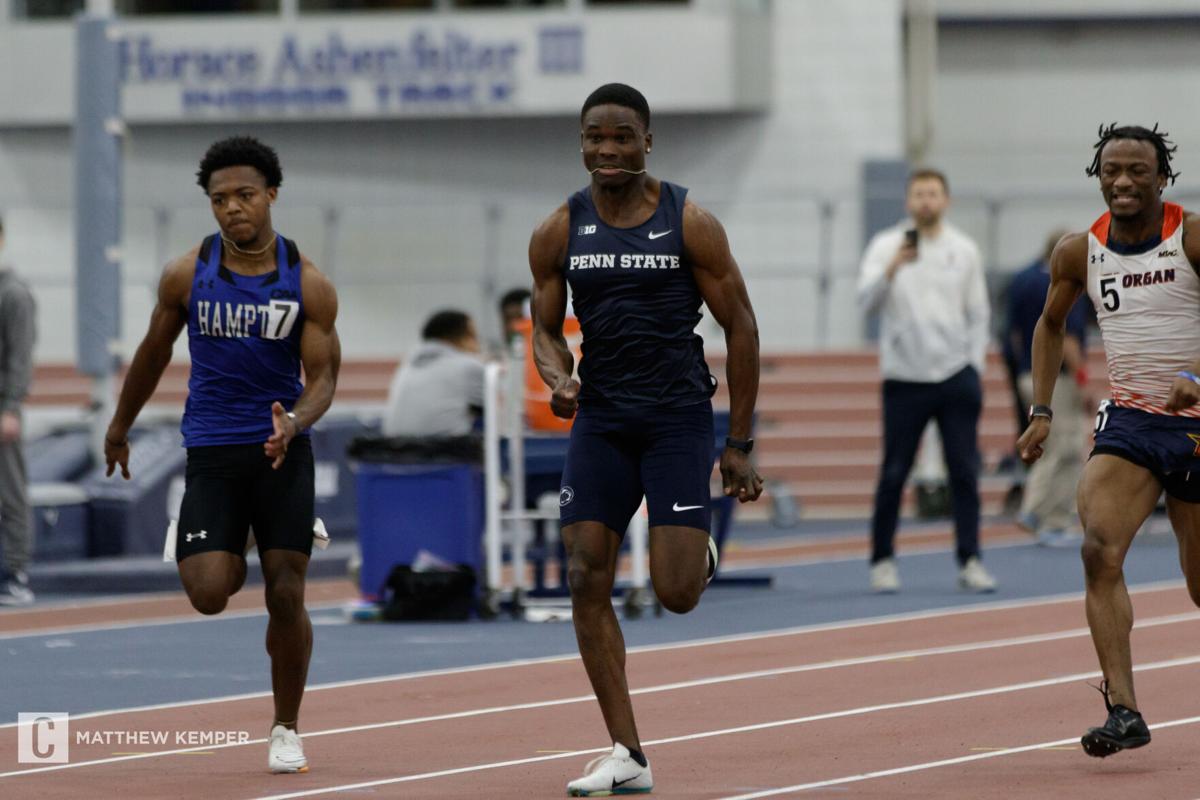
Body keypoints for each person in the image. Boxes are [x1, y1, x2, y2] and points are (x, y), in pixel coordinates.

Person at [529, 83, 763, 797]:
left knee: (677, 593)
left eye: (622, 137)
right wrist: (558, 377)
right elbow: (542, 329)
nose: (607, 150)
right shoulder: (558, 230)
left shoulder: (688, 221)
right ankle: (626, 750)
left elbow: (742, 326)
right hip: (601, 418)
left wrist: (740, 443)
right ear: (581, 142)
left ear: (647, 141)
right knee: (583, 573)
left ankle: (699, 551)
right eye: (595, 137)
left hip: (675, 418)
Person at [103, 136, 340, 774]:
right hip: (211, 447)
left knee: (286, 593)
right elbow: (153, 354)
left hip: (280, 451)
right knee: (209, 592)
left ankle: (285, 727)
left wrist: (294, 421)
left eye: (244, 195)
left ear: (271, 196)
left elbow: (322, 380)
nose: (232, 208)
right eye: (219, 199)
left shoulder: (307, 282)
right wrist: (119, 426)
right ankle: (239, 538)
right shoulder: (188, 274)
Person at [1018, 123, 1200, 758]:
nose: (1122, 182)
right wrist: (1041, 408)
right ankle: (1124, 709)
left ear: (1161, 178)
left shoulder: (1192, 236)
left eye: (1137, 172)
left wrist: (1194, 375)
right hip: (1133, 422)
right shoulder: (1077, 251)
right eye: (1111, 171)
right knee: (1098, 550)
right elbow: (1048, 324)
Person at [857, 168, 996, 594]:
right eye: (918, 194)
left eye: (933, 194)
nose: (926, 201)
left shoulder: (964, 249)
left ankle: (970, 559)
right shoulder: (885, 246)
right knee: (894, 472)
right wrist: (893, 269)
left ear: (946, 200)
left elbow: (978, 313)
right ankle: (882, 561)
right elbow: (866, 303)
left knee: (963, 472)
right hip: (904, 378)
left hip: (955, 376)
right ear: (907, 201)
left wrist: (973, 366)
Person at [1006, 229, 1089, 546]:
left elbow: (1012, 332)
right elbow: (1066, 338)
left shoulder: (1021, 279)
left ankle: (1036, 509)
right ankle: (1046, 514)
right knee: (1065, 447)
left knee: (1051, 445)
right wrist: (1083, 380)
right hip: (1058, 377)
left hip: (1029, 372)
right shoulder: (1066, 282)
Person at [0, 215, 37, 606]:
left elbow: (20, 356)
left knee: (9, 493)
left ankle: (14, 573)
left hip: (1, 409)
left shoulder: (14, 294)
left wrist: (10, 407)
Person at [381, 309, 485, 437]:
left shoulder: (407, 366)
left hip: (392, 450)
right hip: (446, 451)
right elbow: (496, 412)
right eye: (474, 337)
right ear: (462, 338)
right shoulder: (468, 366)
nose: (478, 346)